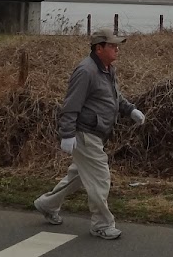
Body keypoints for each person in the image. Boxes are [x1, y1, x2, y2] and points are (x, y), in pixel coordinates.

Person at [33, 28, 145, 240]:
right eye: (112, 46)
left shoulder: (106, 68)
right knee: (100, 177)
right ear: (99, 48)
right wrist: (67, 134)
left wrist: (130, 110)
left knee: (79, 176)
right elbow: (71, 104)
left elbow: (113, 96)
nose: (117, 49)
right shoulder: (86, 71)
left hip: (96, 133)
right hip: (84, 132)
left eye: (117, 45)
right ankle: (102, 225)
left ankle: (47, 204)